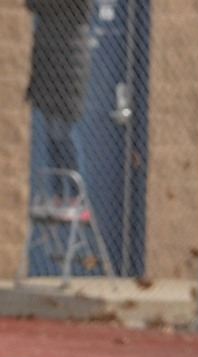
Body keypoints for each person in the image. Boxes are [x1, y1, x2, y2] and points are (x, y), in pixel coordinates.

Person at [26, 0, 92, 208]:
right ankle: (57, 194)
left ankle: (75, 196)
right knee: (52, 136)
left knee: (64, 133)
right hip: (46, 67)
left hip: (68, 68)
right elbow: (31, 4)